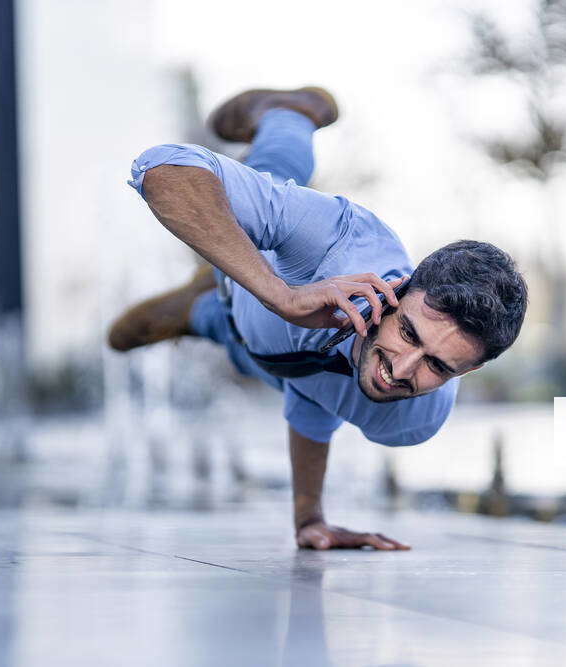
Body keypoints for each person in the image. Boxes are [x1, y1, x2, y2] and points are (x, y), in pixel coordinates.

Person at [107, 87, 528, 551]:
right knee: (272, 176)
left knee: (122, 338)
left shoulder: (413, 418)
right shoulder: (334, 241)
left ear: (469, 371)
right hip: (261, 273)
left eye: (439, 366)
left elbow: (317, 397)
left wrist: (309, 519)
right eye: (409, 333)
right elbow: (161, 169)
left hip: (251, 346)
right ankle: (291, 113)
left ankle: (201, 299)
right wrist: (282, 296)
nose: (402, 370)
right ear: (400, 289)